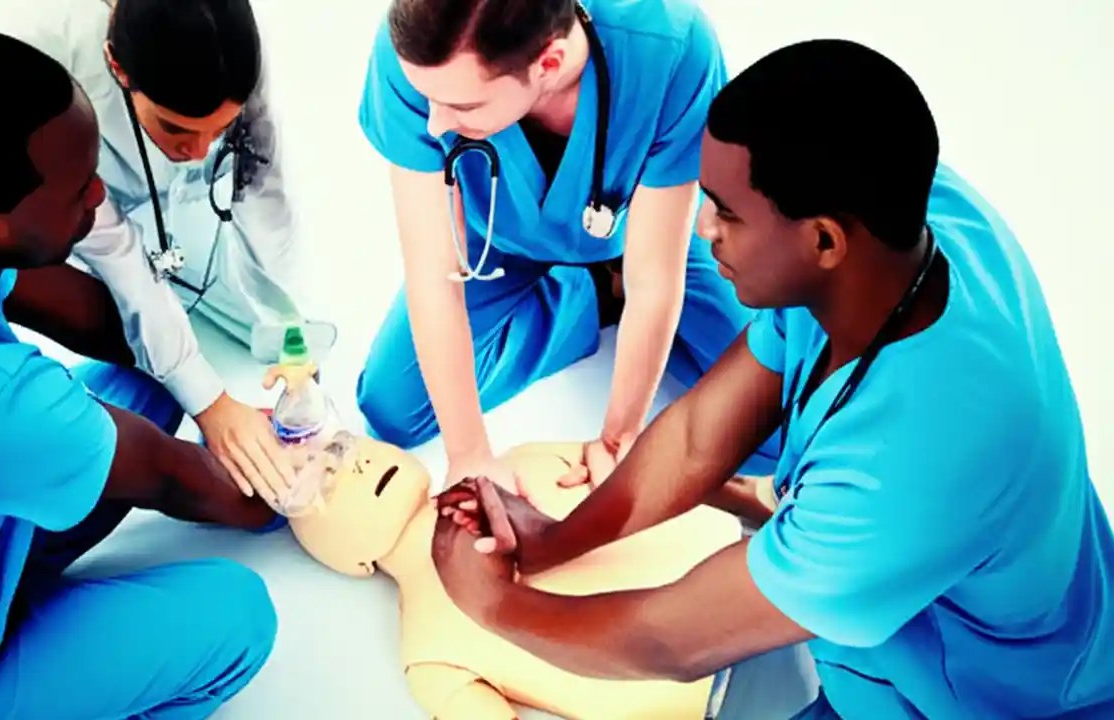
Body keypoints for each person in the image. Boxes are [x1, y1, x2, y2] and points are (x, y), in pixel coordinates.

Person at [431, 38, 1114, 719]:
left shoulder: (912, 470)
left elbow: (673, 641)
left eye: (726, 212)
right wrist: (555, 540)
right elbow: (698, 438)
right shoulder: (898, 219)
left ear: (824, 241)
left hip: (983, 701)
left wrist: (494, 604)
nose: (703, 229)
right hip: (934, 607)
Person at [0, 29, 281, 719]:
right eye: (76, 190)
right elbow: (176, 480)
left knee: (150, 378)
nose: (100, 193)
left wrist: (203, 391)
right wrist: (297, 474)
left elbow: (101, 323)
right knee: (238, 618)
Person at [355, 0, 779, 489]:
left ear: (549, 63)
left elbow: (654, 278)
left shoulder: (672, 45)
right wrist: (468, 454)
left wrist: (618, 438)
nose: (434, 125)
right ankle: (593, 295)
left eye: (464, 107)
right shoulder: (418, 47)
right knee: (393, 410)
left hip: (651, 232)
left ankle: (614, 283)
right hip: (499, 239)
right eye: (427, 98)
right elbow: (435, 277)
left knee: (768, 429)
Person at [0, 0, 329, 504]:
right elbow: (115, 249)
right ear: (117, 66)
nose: (198, 152)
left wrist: (289, 326)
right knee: (144, 351)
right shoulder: (46, 59)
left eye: (218, 131)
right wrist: (211, 405)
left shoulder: (230, 50)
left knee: (258, 324)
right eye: (176, 129)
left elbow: (264, 190)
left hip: (172, 206)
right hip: (80, 211)